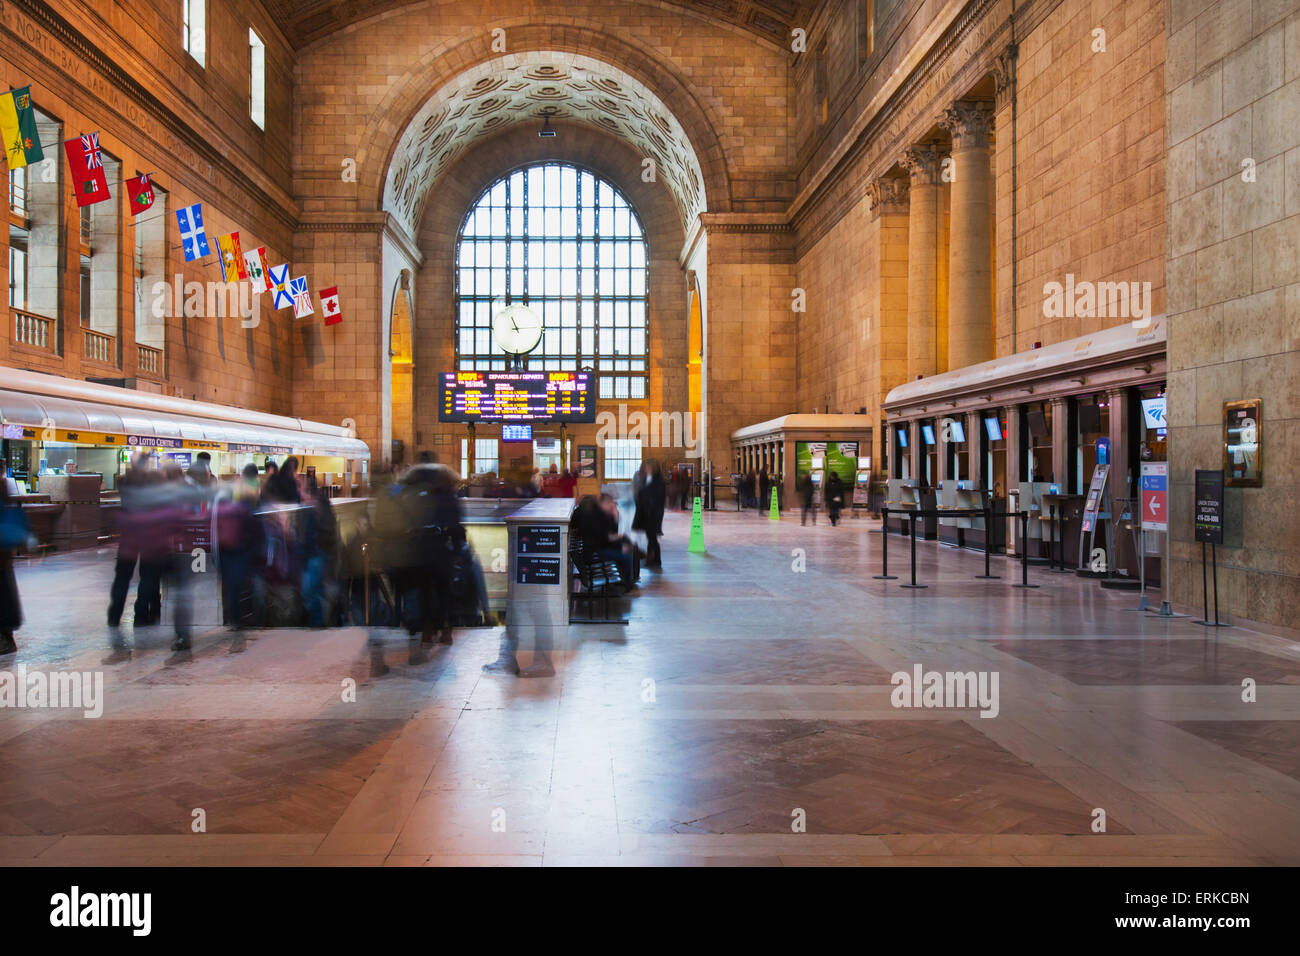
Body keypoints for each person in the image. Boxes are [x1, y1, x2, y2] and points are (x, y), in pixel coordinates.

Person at [0, 463, 30, 655]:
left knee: (3, 597)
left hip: (1, 558)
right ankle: (6, 637)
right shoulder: (4, 488)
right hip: (3, 557)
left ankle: (5, 639)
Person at [633, 459, 666, 570]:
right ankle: (653, 559)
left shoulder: (659, 481)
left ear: (653, 468)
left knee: (652, 537)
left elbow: (656, 497)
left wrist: (643, 494)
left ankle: (655, 560)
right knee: (650, 537)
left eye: (648, 467)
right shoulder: (647, 478)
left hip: (653, 513)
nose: (646, 469)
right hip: (646, 512)